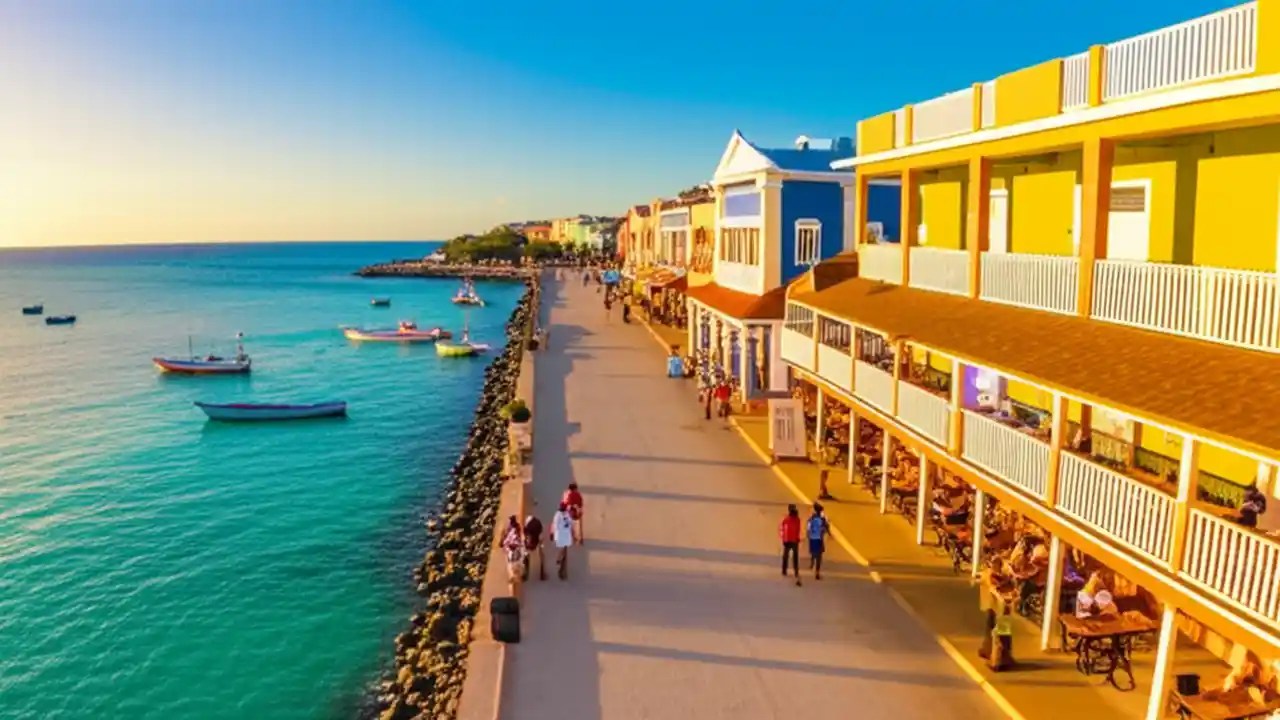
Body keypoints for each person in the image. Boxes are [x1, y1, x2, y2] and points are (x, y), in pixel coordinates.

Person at [779, 504, 802, 586]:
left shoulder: (785, 519)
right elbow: (798, 529)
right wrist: (798, 538)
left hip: (787, 539)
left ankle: (784, 570)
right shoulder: (797, 519)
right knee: (795, 556)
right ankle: (796, 571)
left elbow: (782, 528)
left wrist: (782, 538)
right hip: (794, 540)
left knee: (785, 556)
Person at [550, 503, 575, 580]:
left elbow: (555, 526)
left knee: (562, 550)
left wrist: (552, 534)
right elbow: (571, 525)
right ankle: (560, 562)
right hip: (566, 536)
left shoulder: (557, 515)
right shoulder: (567, 515)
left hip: (560, 536)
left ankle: (559, 559)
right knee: (563, 550)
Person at [806, 504, 831, 580]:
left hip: (812, 538)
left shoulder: (811, 518)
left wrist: (808, 535)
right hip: (819, 539)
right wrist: (829, 533)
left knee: (813, 552)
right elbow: (826, 527)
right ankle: (817, 571)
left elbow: (808, 528)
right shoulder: (822, 519)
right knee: (819, 556)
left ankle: (811, 563)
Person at [500, 515, 525, 583]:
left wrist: (503, 544)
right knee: (519, 563)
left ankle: (512, 577)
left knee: (510, 564)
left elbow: (506, 539)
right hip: (517, 548)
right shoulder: (518, 527)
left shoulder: (509, 529)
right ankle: (519, 576)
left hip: (511, 549)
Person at [522, 514, 546, 581]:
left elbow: (525, 535)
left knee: (526, 556)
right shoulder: (538, 523)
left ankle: (525, 574)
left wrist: (525, 542)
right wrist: (541, 543)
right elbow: (541, 534)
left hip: (528, 544)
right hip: (537, 542)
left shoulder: (526, 527)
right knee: (542, 557)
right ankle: (542, 574)